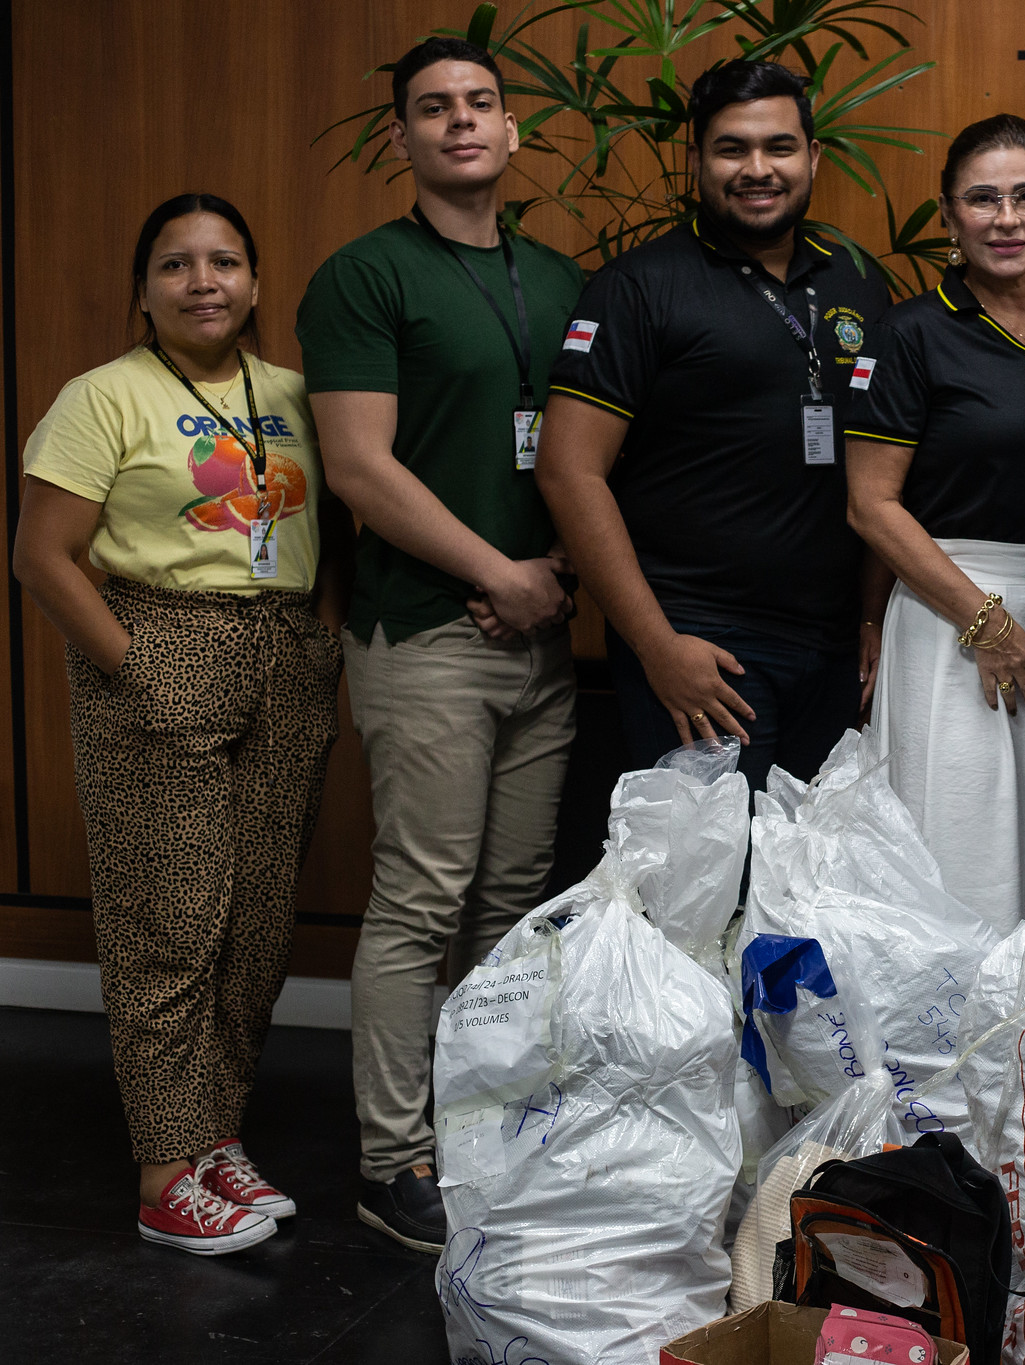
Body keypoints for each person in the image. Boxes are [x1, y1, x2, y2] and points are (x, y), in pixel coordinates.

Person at [15, 194, 348, 1254]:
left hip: (286, 658)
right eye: (175, 265)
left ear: (255, 283)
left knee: (253, 925)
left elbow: (332, 529)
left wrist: (323, 640)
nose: (203, 282)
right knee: (172, 924)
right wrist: (135, 664)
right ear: (143, 288)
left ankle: (213, 1139)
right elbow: (40, 554)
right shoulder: (102, 396)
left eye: (224, 263)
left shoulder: (292, 393)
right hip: (161, 644)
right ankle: (165, 1174)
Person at [296, 35, 586, 1254]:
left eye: (480, 104)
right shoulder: (365, 278)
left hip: (543, 630)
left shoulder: (565, 279)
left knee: (511, 905)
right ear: (404, 140)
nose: (461, 123)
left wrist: (554, 579)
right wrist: (495, 574)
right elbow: (358, 467)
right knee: (421, 903)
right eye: (433, 109)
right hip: (425, 629)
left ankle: (476, 1132)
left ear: (513, 132)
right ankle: (392, 1157)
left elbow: (595, 459)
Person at [538, 60, 891, 784]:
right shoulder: (638, 286)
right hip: (702, 646)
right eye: (732, 148)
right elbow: (568, 469)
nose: (757, 169)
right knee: (705, 889)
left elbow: (879, 465)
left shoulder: (856, 278)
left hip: (830, 649)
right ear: (696, 160)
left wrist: (871, 619)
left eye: (779, 147)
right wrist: (656, 645)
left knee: (807, 884)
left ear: (813, 156)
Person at [845, 115, 1025, 933]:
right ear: (948, 217)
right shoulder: (907, 334)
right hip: (952, 611)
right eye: (982, 199)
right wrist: (982, 619)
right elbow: (870, 504)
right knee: (958, 845)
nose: (1006, 218)